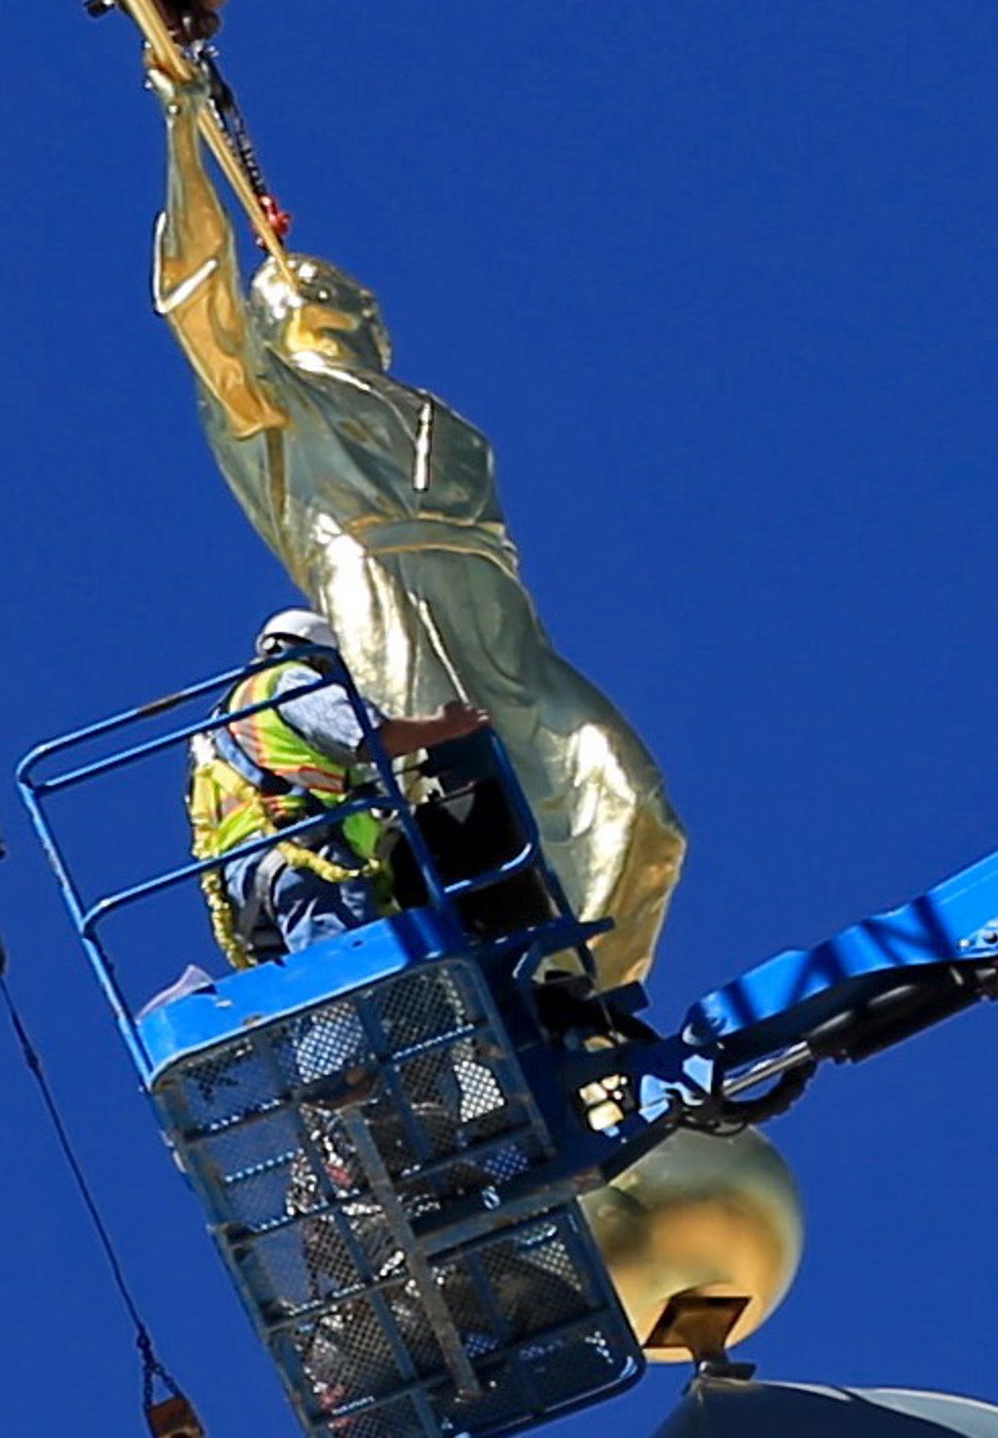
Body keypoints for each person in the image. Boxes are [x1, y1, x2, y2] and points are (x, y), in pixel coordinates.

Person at [148, 69, 689, 987]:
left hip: (502, 628)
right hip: (386, 607)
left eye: (346, 293)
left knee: (632, 808)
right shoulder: (276, 409)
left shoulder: (440, 418)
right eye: (298, 290)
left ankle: (587, 992)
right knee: (456, 816)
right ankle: (511, 986)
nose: (326, 293)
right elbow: (197, 298)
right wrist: (182, 130)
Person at [189, 607, 492, 963]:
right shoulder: (288, 680)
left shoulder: (215, 731)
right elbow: (369, 739)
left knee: (319, 982)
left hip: (245, 885)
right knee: (360, 975)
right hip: (303, 857)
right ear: (318, 656)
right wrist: (445, 725)